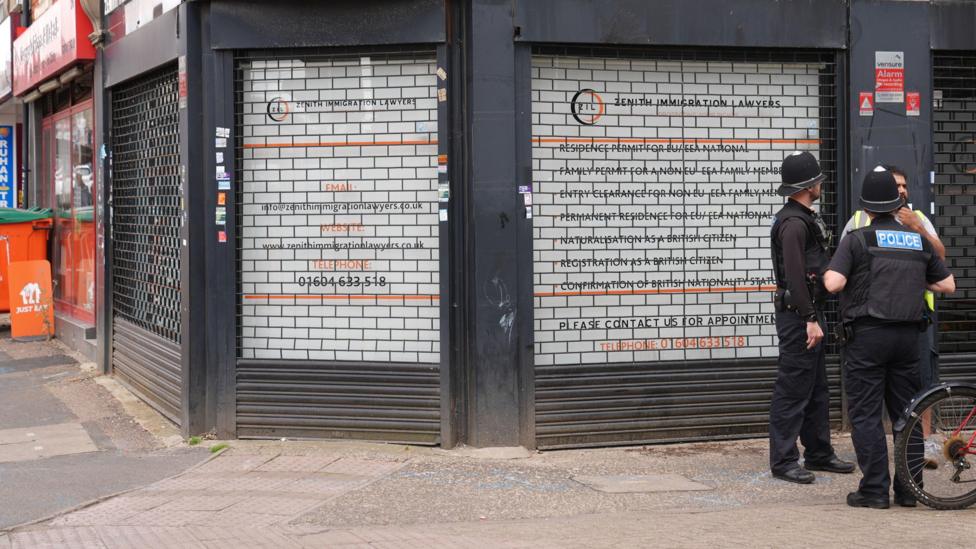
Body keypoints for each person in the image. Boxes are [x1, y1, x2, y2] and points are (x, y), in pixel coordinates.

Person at [823, 167, 956, 509]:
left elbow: (834, 283)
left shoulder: (858, 239)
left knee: (867, 415)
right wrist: (914, 279)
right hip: (908, 339)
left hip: (868, 337)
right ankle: (909, 489)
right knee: (907, 414)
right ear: (898, 202)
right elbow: (947, 285)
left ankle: (874, 491)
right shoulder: (917, 240)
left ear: (866, 207)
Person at [768, 151, 855, 484]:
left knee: (818, 388)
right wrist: (809, 318)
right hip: (799, 317)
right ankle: (784, 460)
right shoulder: (792, 223)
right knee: (793, 389)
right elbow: (794, 274)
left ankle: (819, 453)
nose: (822, 184)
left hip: (810, 312)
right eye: (818, 180)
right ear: (808, 185)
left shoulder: (802, 217)